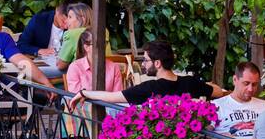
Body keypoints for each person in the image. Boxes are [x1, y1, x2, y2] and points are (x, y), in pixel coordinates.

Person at [70, 39, 228, 108]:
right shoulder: (190, 82)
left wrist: (84, 92)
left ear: (157, 63)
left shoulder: (149, 88)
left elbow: (112, 97)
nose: (143, 64)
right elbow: (219, 92)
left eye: (146, 60)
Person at [212, 62, 265, 139]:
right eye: (246, 83)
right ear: (235, 80)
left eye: (254, 84)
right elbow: (202, 136)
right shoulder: (216, 106)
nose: (250, 89)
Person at [64, 30, 123, 94]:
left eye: (104, 43)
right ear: (86, 47)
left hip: (108, 104)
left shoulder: (113, 67)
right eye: (97, 44)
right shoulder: (75, 67)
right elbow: (77, 99)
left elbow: (118, 96)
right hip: (85, 104)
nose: (103, 47)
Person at [55, 3, 93, 73]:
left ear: (82, 19)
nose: (66, 21)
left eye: (70, 17)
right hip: (102, 74)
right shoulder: (103, 31)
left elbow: (60, 65)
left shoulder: (72, 34)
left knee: (36, 72)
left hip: (80, 76)